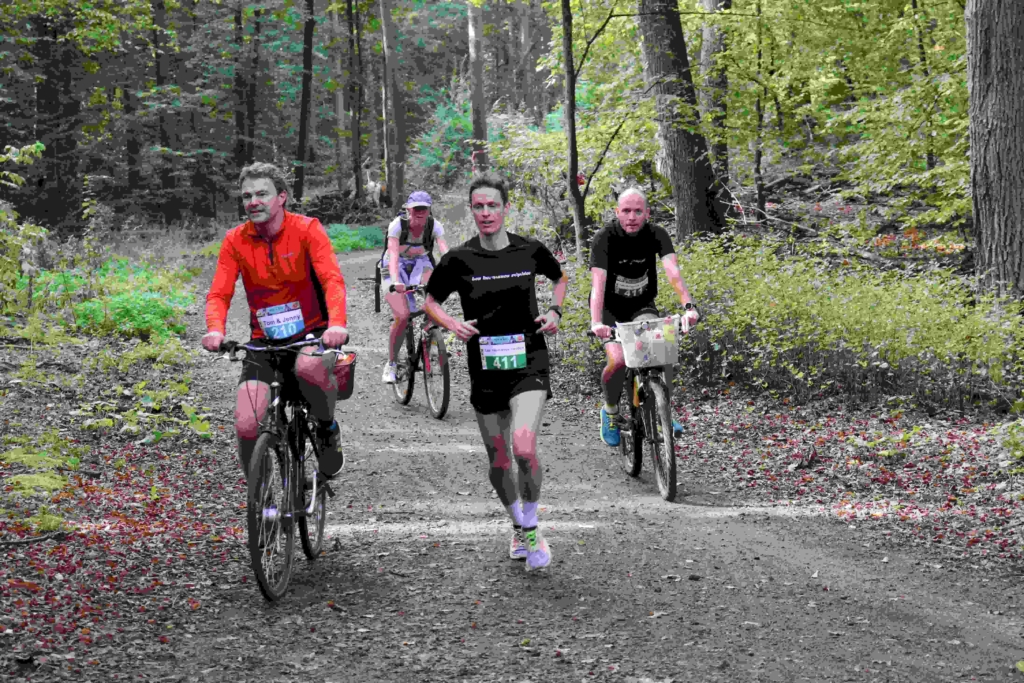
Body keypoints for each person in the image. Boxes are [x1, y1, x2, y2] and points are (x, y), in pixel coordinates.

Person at [423, 172, 568, 571]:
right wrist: (452, 324)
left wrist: (555, 311)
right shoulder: (459, 258)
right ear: (471, 211)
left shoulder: (530, 250)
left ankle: (534, 529)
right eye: (478, 206)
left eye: (493, 205)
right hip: (485, 367)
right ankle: (518, 525)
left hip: (529, 361)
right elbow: (430, 300)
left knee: (523, 448)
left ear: (505, 208)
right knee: (499, 460)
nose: (486, 213)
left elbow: (559, 278)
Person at [202, 162, 349, 481]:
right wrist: (215, 329)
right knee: (247, 421)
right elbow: (219, 293)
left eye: (262, 194)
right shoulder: (235, 240)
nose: (253, 201)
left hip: (310, 335)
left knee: (310, 369)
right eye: (246, 196)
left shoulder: (307, 229)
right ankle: (263, 497)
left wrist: (336, 324)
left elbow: (332, 280)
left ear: (282, 197)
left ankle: (326, 429)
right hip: (263, 343)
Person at [589, 187, 699, 447]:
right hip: (610, 310)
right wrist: (597, 322)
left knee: (661, 350)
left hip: (641, 306)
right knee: (617, 361)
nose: (631, 216)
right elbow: (598, 284)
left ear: (647, 213)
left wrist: (689, 306)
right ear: (617, 213)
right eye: (626, 211)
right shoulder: (604, 238)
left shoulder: (656, 234)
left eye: (638, 211)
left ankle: (662, 412)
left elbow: (672, 270)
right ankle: (611, 411)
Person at [381, 190, 450, 383]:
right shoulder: (397, 226)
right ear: (408, 210)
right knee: (402, 315)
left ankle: (430, 337)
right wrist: (396, 281)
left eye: (423, 208)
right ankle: (392, 363)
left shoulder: (435, 226)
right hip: (393, 267)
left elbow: (445, 252)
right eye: (415, 208)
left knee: (434, 292)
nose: (419, 212)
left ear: (429, 210)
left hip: (421, 264)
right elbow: (393, 255)